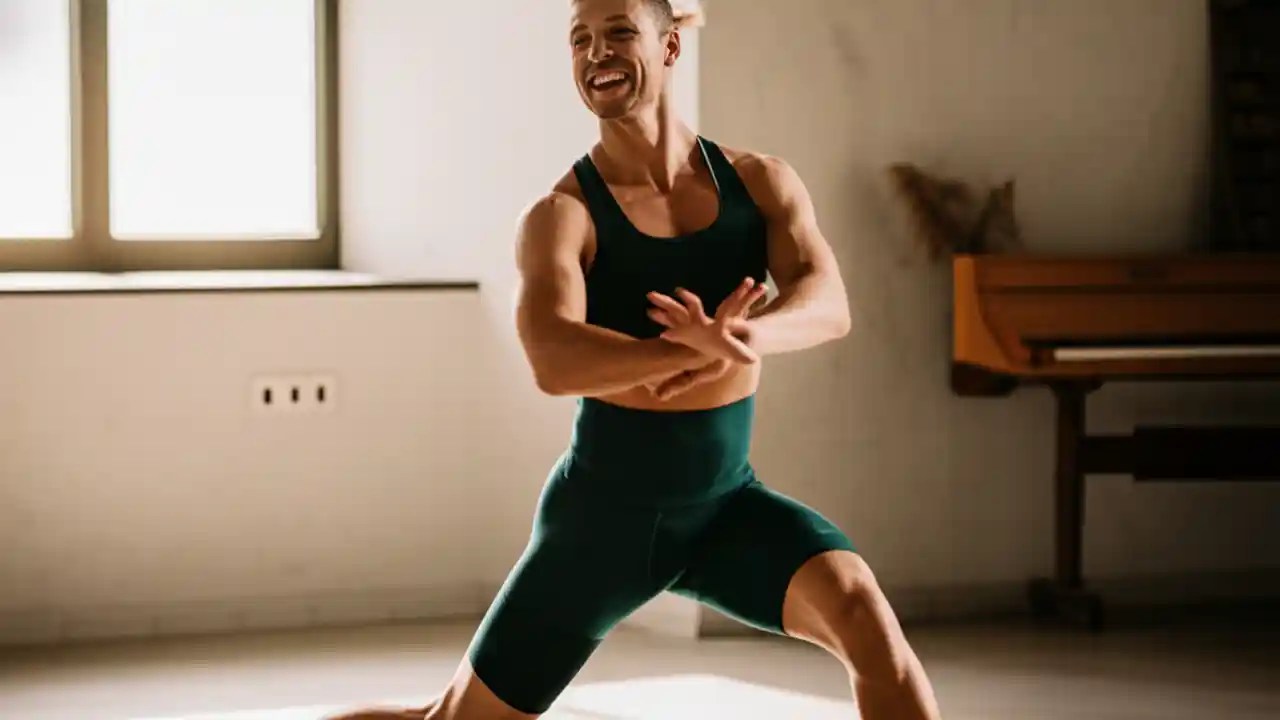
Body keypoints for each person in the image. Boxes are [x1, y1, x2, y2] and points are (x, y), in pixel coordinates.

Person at [326, 0, 943, 718]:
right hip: (600, 522)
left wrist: (742, 340)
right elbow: (553, 358)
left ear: (672, 46)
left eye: (619, 31)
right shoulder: (561, 216)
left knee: (866, 620)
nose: (596, 54)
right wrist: (673, 350)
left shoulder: (761, 181)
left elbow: (826, 300)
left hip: (726, 506)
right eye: (579, 40)